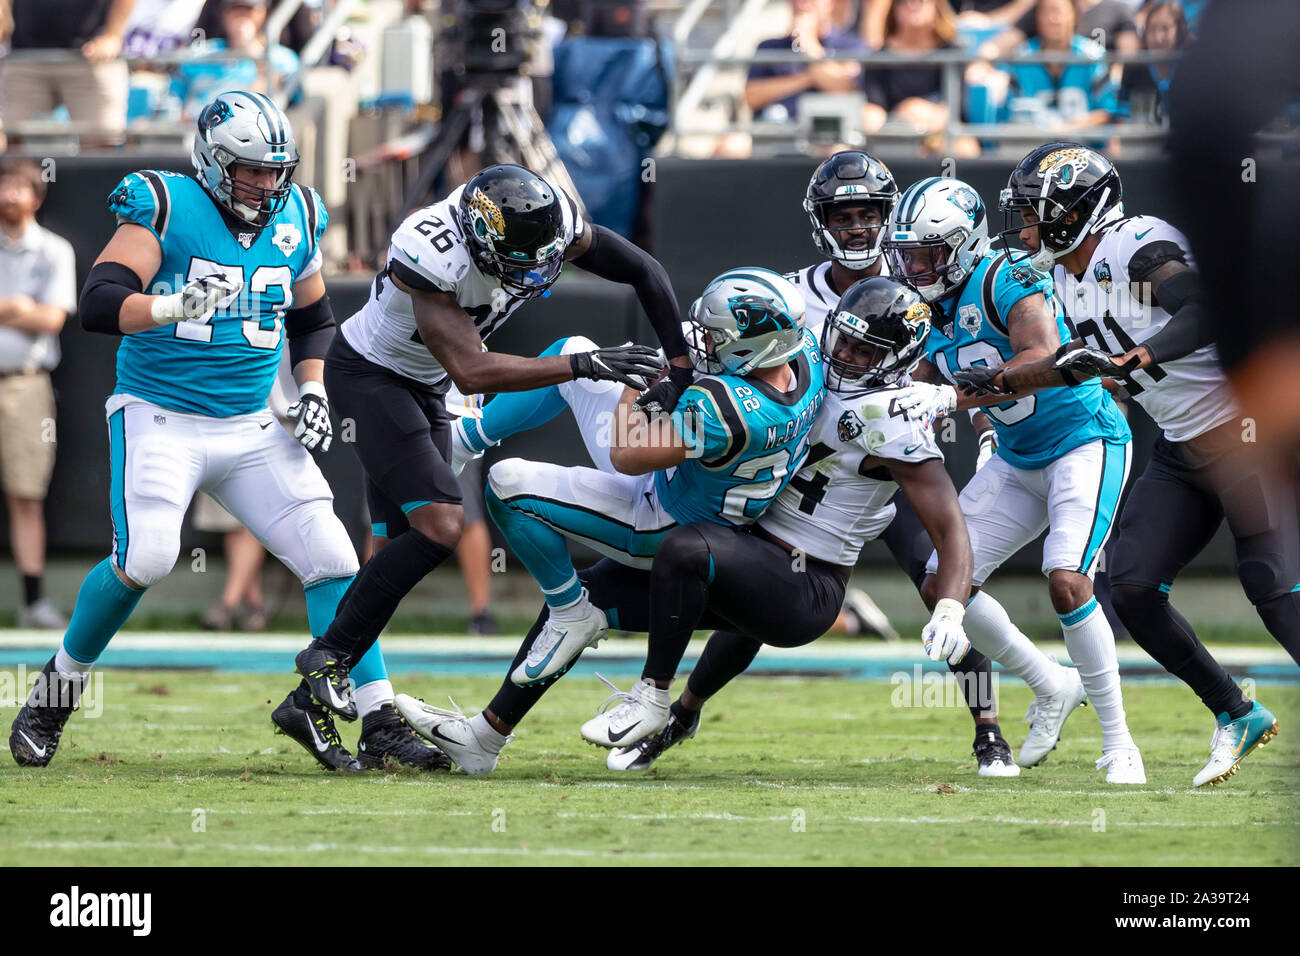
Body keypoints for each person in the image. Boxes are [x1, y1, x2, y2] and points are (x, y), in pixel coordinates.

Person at [8, 91, 447, 775]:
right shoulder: (165, 204)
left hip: (249, 422)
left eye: (277, 171)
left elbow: (313, 320)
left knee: (333, 556)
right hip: (161, 415)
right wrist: (167, 304)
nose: (267, 185)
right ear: (213, 163)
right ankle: (55, 691)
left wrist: (310, 388)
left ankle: (380, 716)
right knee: (148, 557)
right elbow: (96, 302)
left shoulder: (296, 215)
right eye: (251, 171)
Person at [281, 163, 692, 763]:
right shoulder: (431, 248)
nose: (532, 269)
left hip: (423, 386)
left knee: (391, 547)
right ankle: (327, 659)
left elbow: (642, 270)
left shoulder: (546, 221)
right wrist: (581, 365)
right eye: (517, 257)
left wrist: (679, 365)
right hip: (373, 377)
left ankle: (335, 709)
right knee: (441, 525)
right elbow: (470, 369)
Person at [391, 267, 825, 772]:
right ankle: (464, 440)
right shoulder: (805, 359)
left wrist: (639, 378)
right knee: (573, 351)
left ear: (758, 347)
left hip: (663, 515)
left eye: (717, 336)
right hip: (705, 492)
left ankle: (567, 606)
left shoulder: (728, 409)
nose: (704, 341)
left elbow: (626, 451)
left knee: (509, 485)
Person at [578, 276, 983, 765]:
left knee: (687, 550)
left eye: (863, 351)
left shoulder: (894, 419)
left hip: (809, 580)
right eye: (844, 339)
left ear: (894, 361)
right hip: (753, 548)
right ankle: (505, 727)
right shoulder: (802, 359)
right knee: (593, 591)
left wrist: (950, 609)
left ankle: (651, 697)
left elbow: (950, 528)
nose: (846, 355)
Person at [995, 142, 1289, 786]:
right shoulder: (1064, 277)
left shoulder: (1135, 244)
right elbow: (1082, 367)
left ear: (1076, 212)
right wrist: (977, 393)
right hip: (1185, 447)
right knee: (1132, 587)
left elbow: (1205, 309)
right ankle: (1235, 712)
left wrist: (1134, 362)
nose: (1024, 229)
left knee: (1271, 584)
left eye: (1034, 214)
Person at [884, 175, 1145, 783]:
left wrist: (953, 398)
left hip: (1084, 441)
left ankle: (1119, 742)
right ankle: (1049, 683)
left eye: (929, 252)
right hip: (1017, 455)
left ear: (965, 245)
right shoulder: (922, 304)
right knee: (940, 581)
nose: (916, 266)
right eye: (910, 253)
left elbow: (1042, 358)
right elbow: (926, 384)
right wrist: (979, 427)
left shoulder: (1007, 275)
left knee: (1066, 581)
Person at [789, 151, 1019, 772]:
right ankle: (680, 710)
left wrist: (978, 417)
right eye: (844, 216)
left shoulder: (921, 274)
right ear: (821, 223)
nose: (859, 229)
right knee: (763, 585)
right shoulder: (791, 295)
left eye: (870, 215)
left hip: (895, 466)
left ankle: (990, 726)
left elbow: (959, 357)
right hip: (821, 476)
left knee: (940, 584)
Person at [0, 159, 76, 629]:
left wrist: (20, 310)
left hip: (26, 385)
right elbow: (35, 314)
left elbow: (52, 320)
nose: (9, 195)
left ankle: (33, 601)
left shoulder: (54, 250)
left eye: (18, 187)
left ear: (37, 196)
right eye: (2, 186)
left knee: (27, 494)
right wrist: (19, 307)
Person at [1, 0, 134, 145]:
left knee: (100, 150)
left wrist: (112, 34)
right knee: (14, 152)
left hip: (93, 57)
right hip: (24, 56)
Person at [169, 0, 299, 119]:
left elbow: (290, 96)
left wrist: (253, 52)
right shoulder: (202, 52)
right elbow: (174, 96)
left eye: (248, 10)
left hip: (249, 132)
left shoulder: (282, 58)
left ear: (263, 13)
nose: (241, 16)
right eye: (235, 9)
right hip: (197, 132)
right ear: (224, 15)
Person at [744, 0, 869, 123]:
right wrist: (811, 77)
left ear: (830, 3)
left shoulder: (850, 45)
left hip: (830, 132)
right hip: (780, 130)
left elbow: (849, 93)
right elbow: (752, 97)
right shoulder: (769, 47)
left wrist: (810, 46)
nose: (802, 4)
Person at [1117, 0, 1185, 125]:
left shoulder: (1191, 70)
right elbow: (1122, 118)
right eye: (1152, 28)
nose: (1158, 38)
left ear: (1180, 31)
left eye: (1165, 29)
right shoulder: (1133, 68)